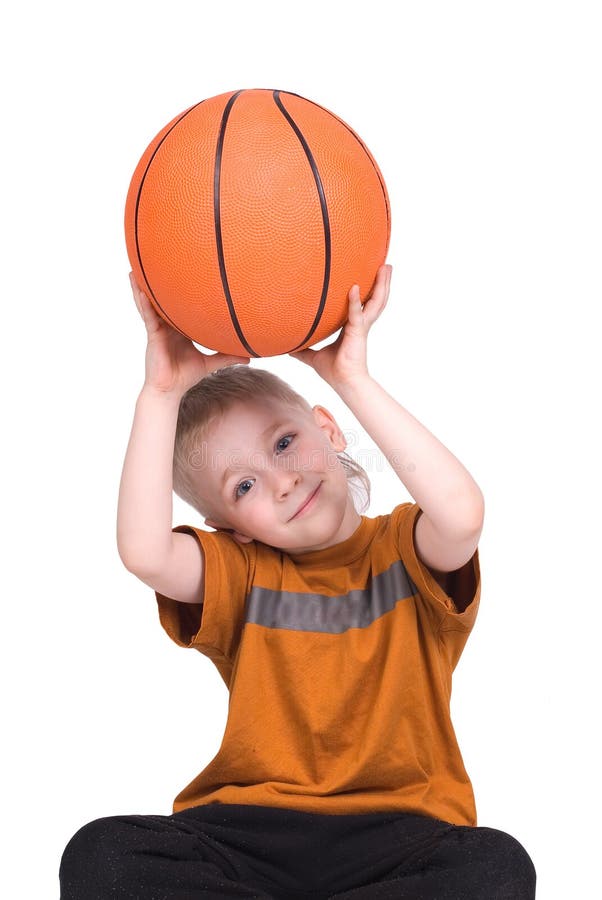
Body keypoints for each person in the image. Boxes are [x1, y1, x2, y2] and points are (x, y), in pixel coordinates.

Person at [59, 266, 536, 899]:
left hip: (399, 834)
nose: (281, 481)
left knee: (498, 865)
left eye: (284, 443)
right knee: (100, 853)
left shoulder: (406, 550)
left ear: (328, 430)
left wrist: (352, 378)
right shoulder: (240, 573)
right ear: (229, 528)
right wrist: (161, 394)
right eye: (244, 486)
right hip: (246, 835)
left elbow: (462, 513)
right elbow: (146, 552)